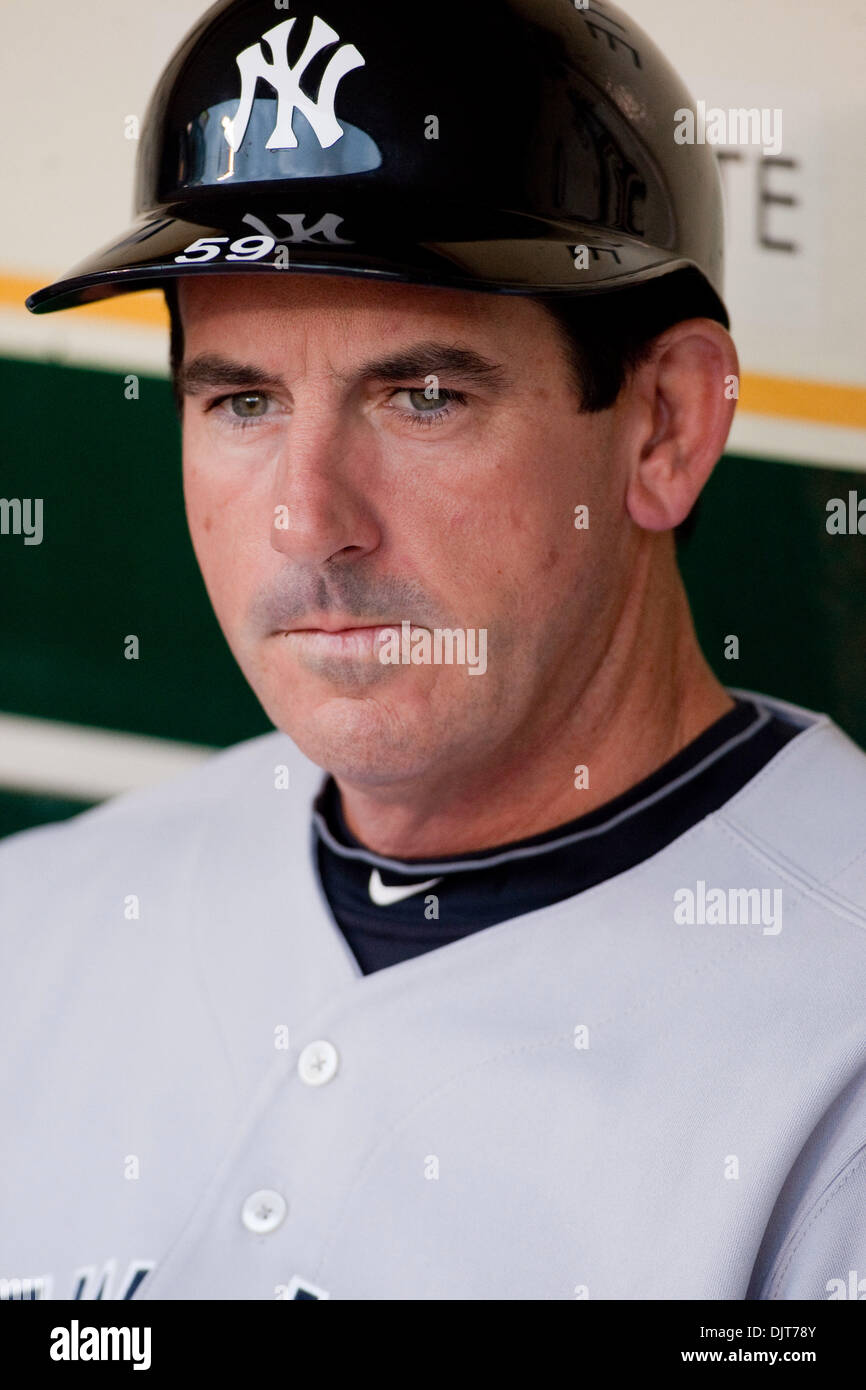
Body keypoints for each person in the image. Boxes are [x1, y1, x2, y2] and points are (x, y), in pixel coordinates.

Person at [3, 0, 865, 1302]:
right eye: (241, 400)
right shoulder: (37, 922)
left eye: (422, 395)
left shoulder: (834, 1033)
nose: (310, 522)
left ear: (664, 428)